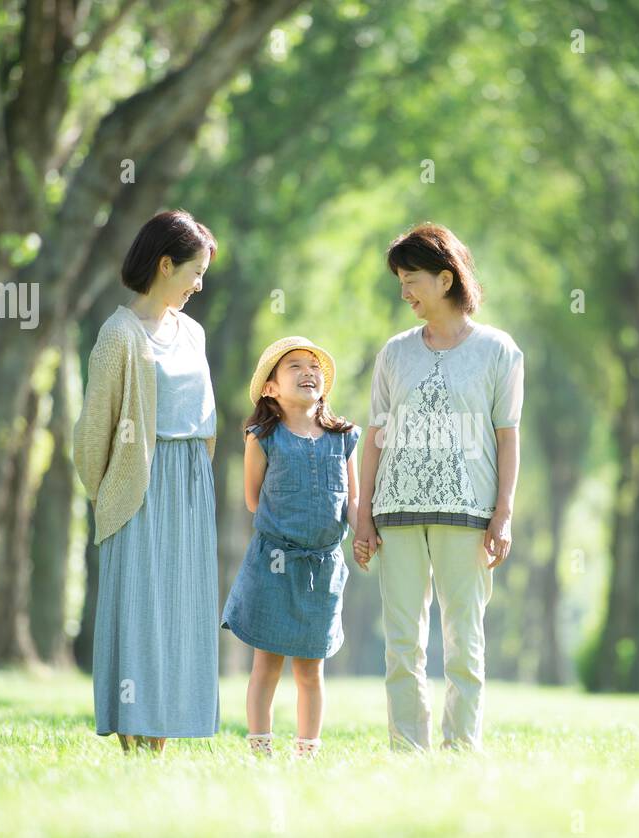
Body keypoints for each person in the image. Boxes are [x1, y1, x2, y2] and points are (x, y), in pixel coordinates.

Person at [353, 223, 523, 753]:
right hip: (396, 512)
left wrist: (503, 514)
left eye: (411, 279)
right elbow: (375, 436)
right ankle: (407, 748)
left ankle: (460, 749)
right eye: (400, 280)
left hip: (468, 513)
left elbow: (507, 437)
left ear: (446, 278)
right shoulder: (395, 353)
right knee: (402, 644)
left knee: (462, 642)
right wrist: (364, 516)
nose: (404, 292)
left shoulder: (498, 351)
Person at [72, 209, 219, 755]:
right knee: (140, 613)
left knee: (182, 612)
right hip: (139, 487)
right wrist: (106, 493)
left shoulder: (194, 333)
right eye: (195, 271)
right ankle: (134, 746)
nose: (199, 284)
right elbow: (92, 433)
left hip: (190, 485)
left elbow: (205, 415)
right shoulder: (118, 335)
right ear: (165, 264)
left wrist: (200, 477)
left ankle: (161, 743)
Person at [220, 336, 361, 759]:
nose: (308, 372)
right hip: (275, 564)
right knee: (267, 664)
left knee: (310, 668)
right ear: (270, 388)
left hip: (322, 569)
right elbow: (252, 498)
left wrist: (365, 535)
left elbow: (352, 501)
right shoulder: (263, 436)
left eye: (314, 366)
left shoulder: (344, 437)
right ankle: (261, 748)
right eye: (294, 367)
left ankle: (307, 751)